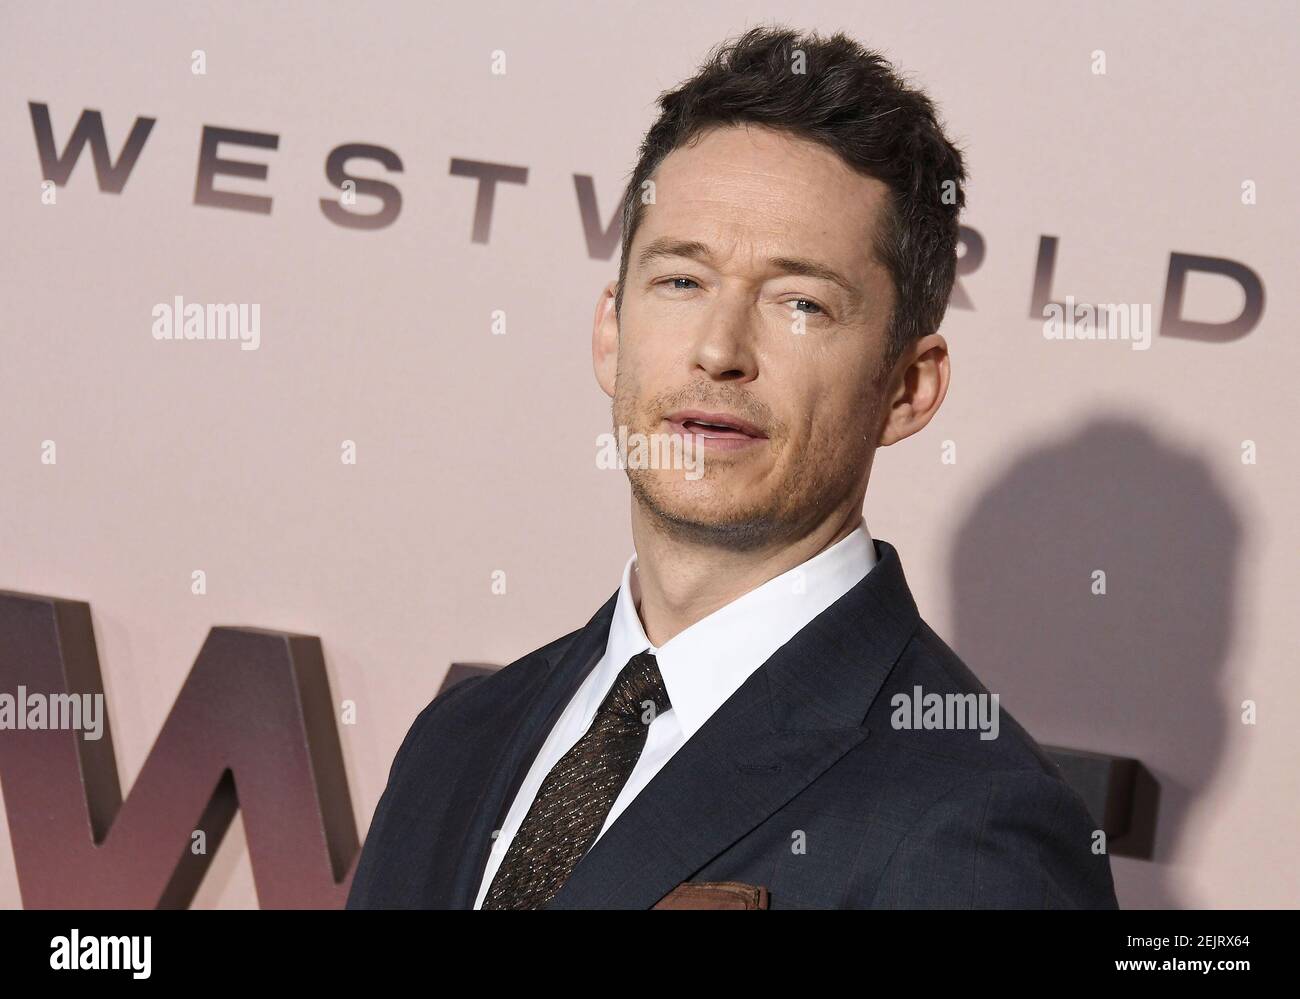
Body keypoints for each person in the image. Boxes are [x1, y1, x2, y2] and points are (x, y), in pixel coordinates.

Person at [346, 24, 1118, 909]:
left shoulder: (975, 827)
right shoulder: (460, 738)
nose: (718, 350)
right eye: (681, 281)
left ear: (908, 387)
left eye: (800, 302)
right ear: (611, 331)